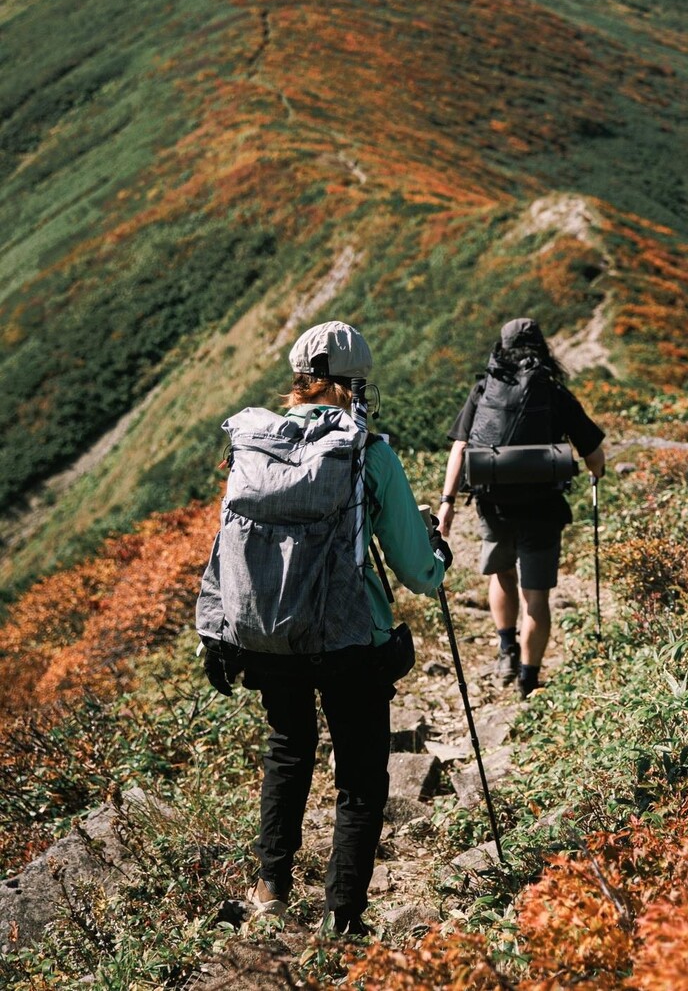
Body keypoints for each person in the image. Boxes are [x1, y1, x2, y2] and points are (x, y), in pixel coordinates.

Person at [196, 320, 448, 937]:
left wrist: (215, 628)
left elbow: (228, 544)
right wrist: (437, 557)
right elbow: (418, 572)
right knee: (360, 774)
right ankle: (343, 919)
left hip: (268, 635)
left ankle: (270, 892)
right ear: (357, 385)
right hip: (347, 641)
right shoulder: (370, 451)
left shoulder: (255, 444)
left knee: (288, 752)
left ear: (299, 383)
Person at [437, 317, 604, 699]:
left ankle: (506, 649)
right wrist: (597, 472)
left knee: (501, 575)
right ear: (542, 348)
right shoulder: (553, 392)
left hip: (493, 505)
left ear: (502, 348)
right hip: (543, 510)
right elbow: (594, 454)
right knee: (536, 596)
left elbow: (460, 448)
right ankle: (529, 680)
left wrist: (447, 504)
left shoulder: (485, 389)